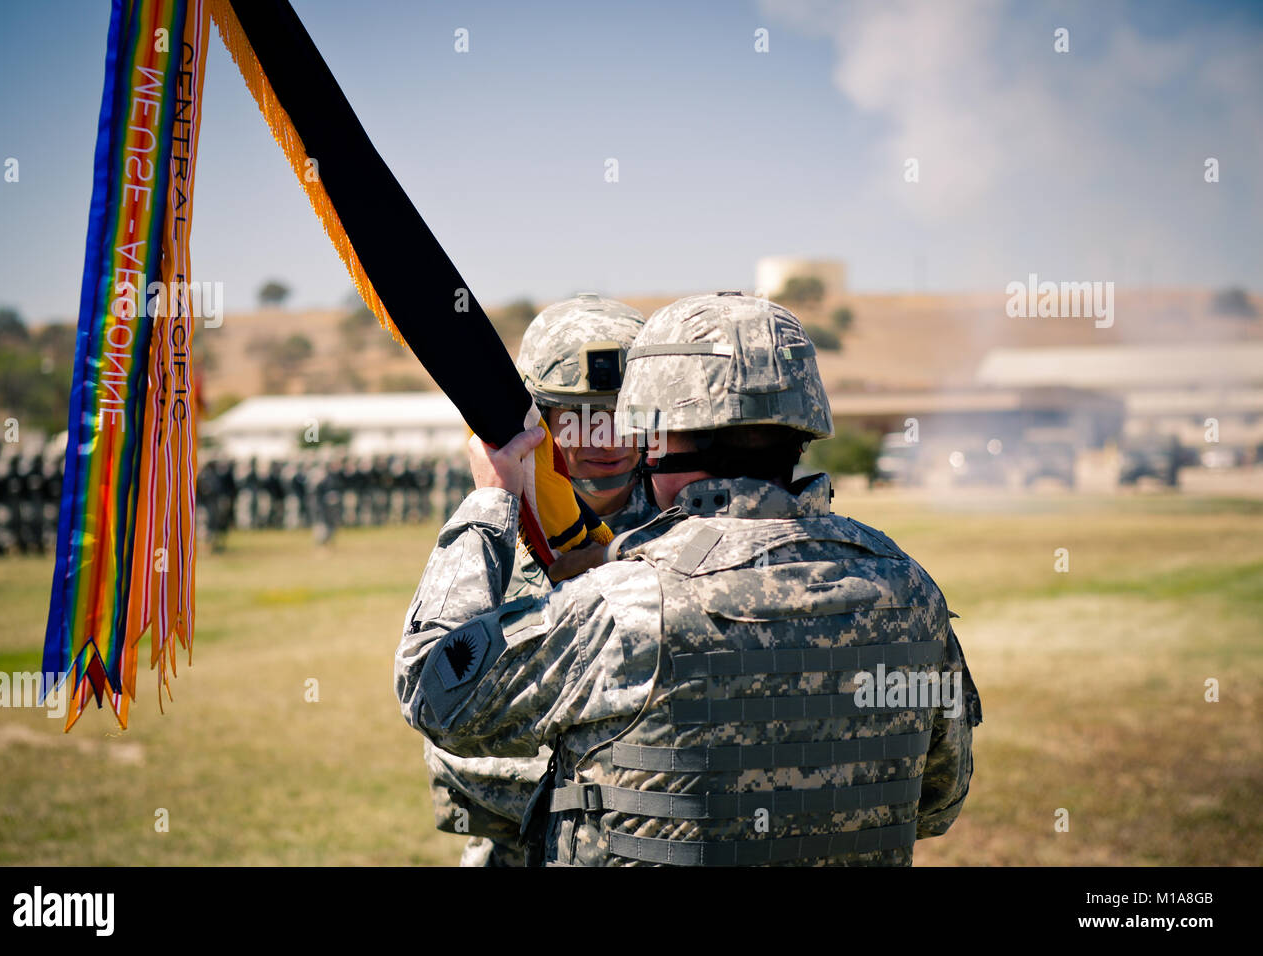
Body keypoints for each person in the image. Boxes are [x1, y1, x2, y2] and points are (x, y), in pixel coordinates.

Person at [397, 292, 980, 866]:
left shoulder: (626, 600)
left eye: (630, 423)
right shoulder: (908, 586)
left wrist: (488, 502)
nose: (609, 440)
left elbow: (433, 687)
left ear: (664, 431)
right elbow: (936, 799)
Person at [423, 293, 658, 867]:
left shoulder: (701, 522)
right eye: (579, 419)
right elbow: (449, 730)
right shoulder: (499, 530)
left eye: (621, 416)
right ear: (538, 423)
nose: (604, 440)